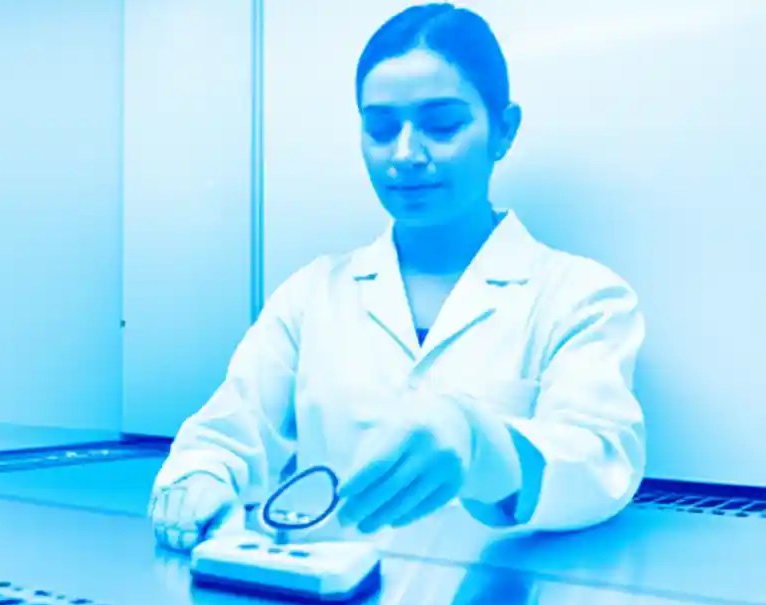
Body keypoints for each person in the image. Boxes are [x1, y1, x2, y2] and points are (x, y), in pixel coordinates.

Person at [149, 3, 646, 551]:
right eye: (382, 129)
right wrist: (201, 478)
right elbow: (226, 432)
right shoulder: (313, 295)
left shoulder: (582, 298)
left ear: (503, 132)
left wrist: (486, 446)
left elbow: (602, 461)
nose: (406, 154)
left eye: (442, 125)